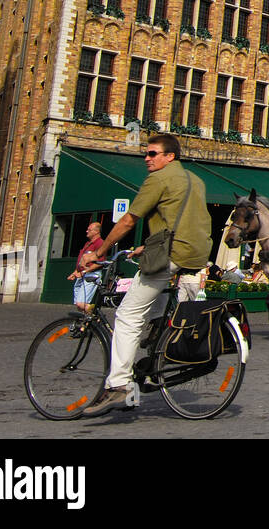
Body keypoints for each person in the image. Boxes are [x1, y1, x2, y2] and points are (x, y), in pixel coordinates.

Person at [78, 134, 211, 417]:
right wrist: (142, 248)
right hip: (194, 253)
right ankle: (157, 350)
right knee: (154, 311)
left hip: (170, 256)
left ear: (169, 156)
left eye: (153, 153)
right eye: (147, 154)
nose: (147, 158)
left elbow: (128, 220)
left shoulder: (158, 179)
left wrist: (100, 252)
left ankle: (120, 386)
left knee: (127, 315)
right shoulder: (195, 180)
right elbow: (180, 220)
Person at [67, 221, 104, 315]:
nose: (87, 231)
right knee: (78, 304)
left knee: (81, 303)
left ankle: (95, 316)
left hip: (91, 274)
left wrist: (85, 271)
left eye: (89, 229)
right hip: (82, 274)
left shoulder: (100, 243)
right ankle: (88, 323)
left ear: (96, 231)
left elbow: (100, 262)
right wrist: (75, 272)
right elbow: (82, 260)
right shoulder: (88, 243)